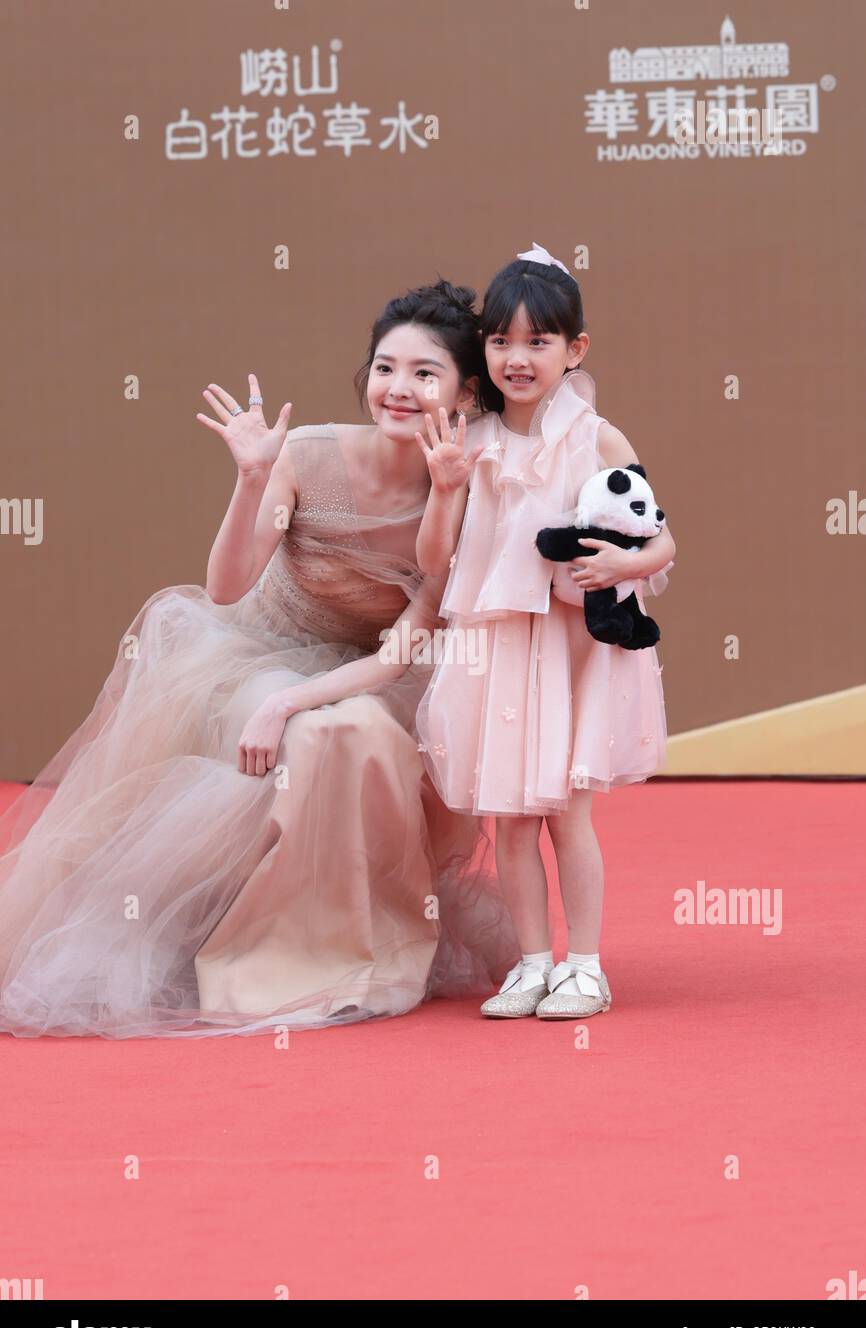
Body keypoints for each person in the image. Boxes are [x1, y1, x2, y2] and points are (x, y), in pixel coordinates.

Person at [0, 279, 519, 1039]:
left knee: (356, 732)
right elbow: (224, 586)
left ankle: (356, 955)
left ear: (466, 394)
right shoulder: (306, 455)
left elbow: (408, 646)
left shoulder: (465, 490)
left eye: (423, 373)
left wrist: (292, 703)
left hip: (375, 673)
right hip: (254, 656)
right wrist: (250, 480)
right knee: (317, 734)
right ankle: (260, 959)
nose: (398, 389)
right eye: (384, 367)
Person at [413, 244, 676, 1020]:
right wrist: (444, 489)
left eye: (538, 342)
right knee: (511, 818)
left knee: (567, 814)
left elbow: (662, 542)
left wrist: (616, 569)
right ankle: (532, 965)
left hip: (568, 651)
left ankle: (586, 967)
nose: (517, 358)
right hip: (497, 649)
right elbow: (436, 561)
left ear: (575, 349)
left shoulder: (599, 439)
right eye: (500, 341)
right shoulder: (472, 441)